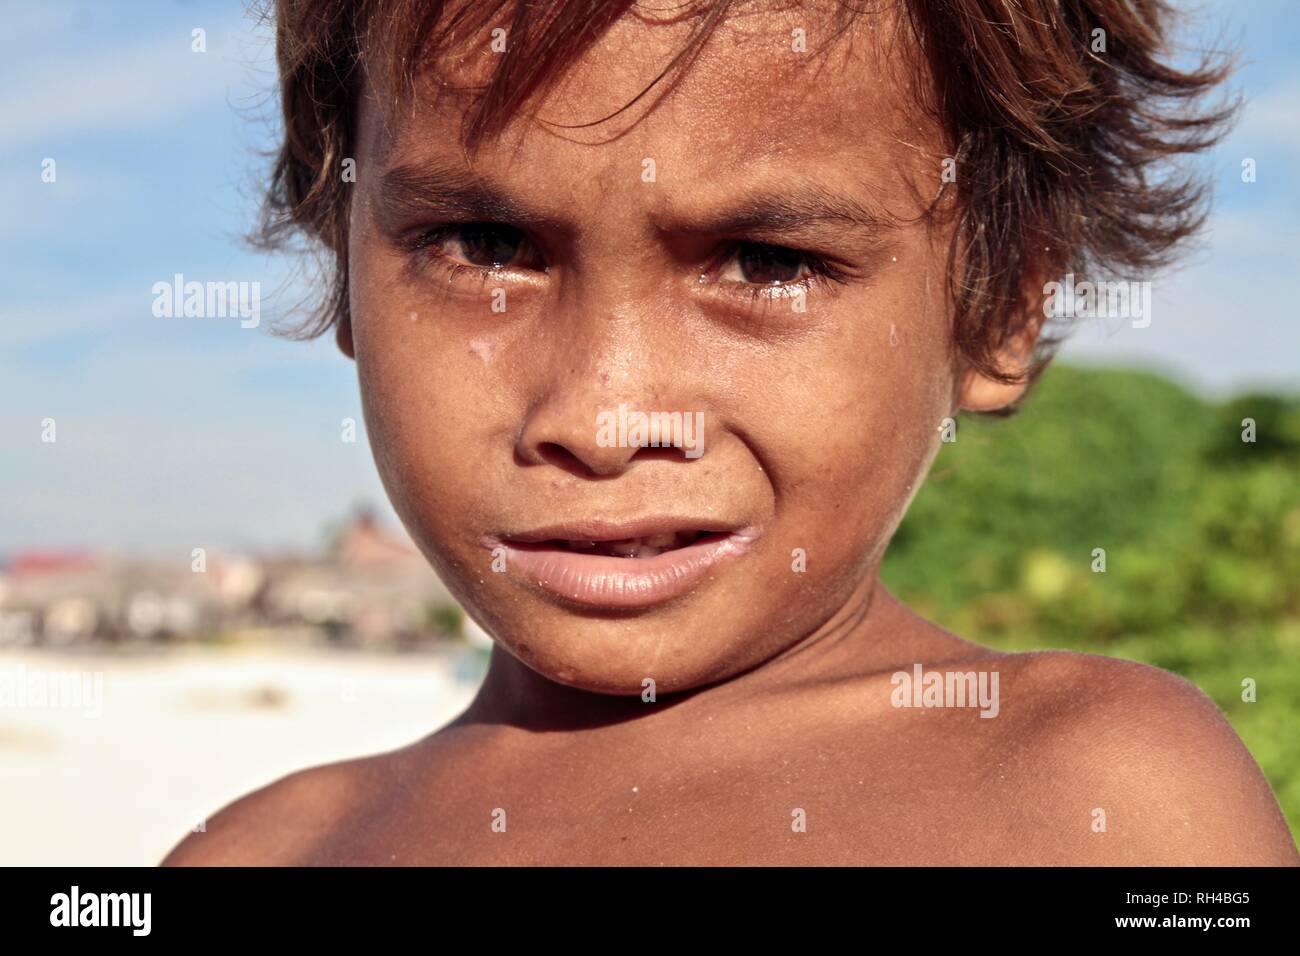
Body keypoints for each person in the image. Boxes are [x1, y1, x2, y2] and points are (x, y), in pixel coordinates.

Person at [163, 0, 1299, 865]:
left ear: (996, 309)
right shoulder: (262, 852)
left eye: (768, 262)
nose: (603, 419)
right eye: (485, 245)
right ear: (347, 275)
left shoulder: (1101, 793)